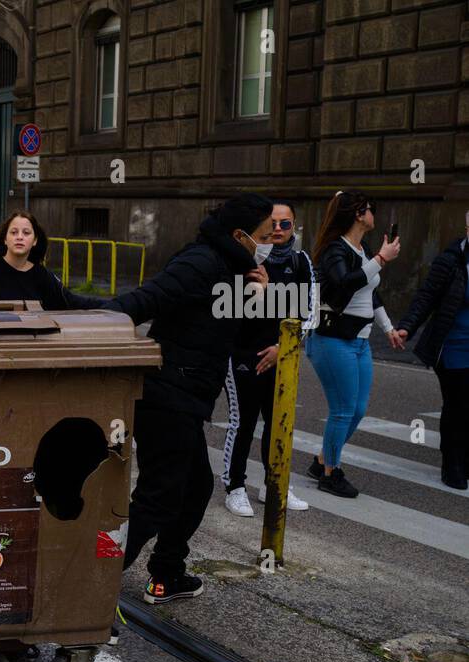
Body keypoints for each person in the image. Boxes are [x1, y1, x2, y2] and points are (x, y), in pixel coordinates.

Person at [104, 193, 276, 604]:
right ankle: (95, 581)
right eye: (266, 234)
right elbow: (145, 300)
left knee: (195, 486)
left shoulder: (235, 267)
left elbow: (237, 331)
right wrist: (89, 320)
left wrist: (259, 295)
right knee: (159, 496)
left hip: (186, 395)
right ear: (240, 235)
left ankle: (166, 573)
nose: (272, 241)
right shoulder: (201, 261)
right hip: (168, 394)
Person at [306, 190, 405, 498]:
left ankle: (322, 459)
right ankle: (330, 472)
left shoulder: (362, 248)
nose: (374, 214)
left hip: (359, 342)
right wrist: (379, 260)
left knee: (358, 410)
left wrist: (388, 328)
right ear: (359, 214)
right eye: (371, 209)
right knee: (343, 410)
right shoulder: (334, 250)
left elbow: (370, 293)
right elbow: (344, 284)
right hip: (333, 340)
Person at [222, 200, 315, 516]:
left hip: (281, 354)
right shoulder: (247, 256)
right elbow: (235, 307)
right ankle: (235, 487)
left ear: (293, 227)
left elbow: (307, 312)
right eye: (272, 223)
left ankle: (275, 484)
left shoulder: (301, 262)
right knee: (243, 422)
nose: (278, 229)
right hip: (245, 353)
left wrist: (282, 347)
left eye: (285, 224)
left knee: (279, 423)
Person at [397, 212, 469, 490]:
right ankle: (453, 464)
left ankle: (465, 457)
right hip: (453, 345)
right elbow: (426, 297)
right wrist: (406, 327)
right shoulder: (450, 261)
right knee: (458, 404)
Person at [0, 210, 104, 310]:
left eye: (26, 233)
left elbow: (73, 302)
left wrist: (118, 305)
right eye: (13, 232)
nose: (19, 237)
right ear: (5, 239)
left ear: (34, 241)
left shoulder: (43, 276)